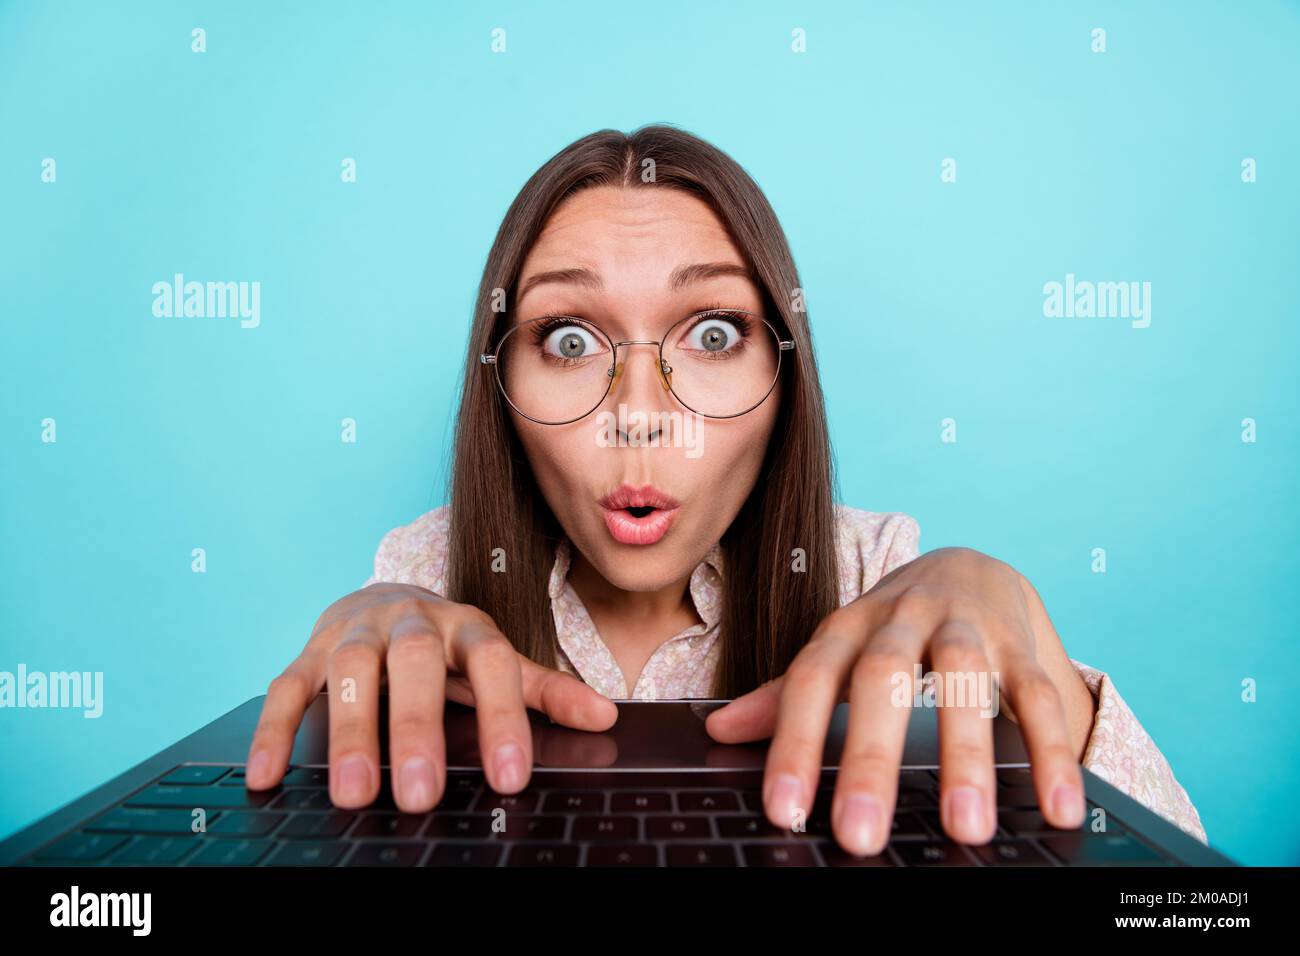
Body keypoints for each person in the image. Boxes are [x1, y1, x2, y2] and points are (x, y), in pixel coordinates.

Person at [245, 124, 1205, 858]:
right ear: (502, 379)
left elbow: (1192, 906)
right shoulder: (423, 569)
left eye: (711, 335)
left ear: (785, 377)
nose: (639, 416)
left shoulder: (876, 576)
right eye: (569, 341)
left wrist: (1052, 678)